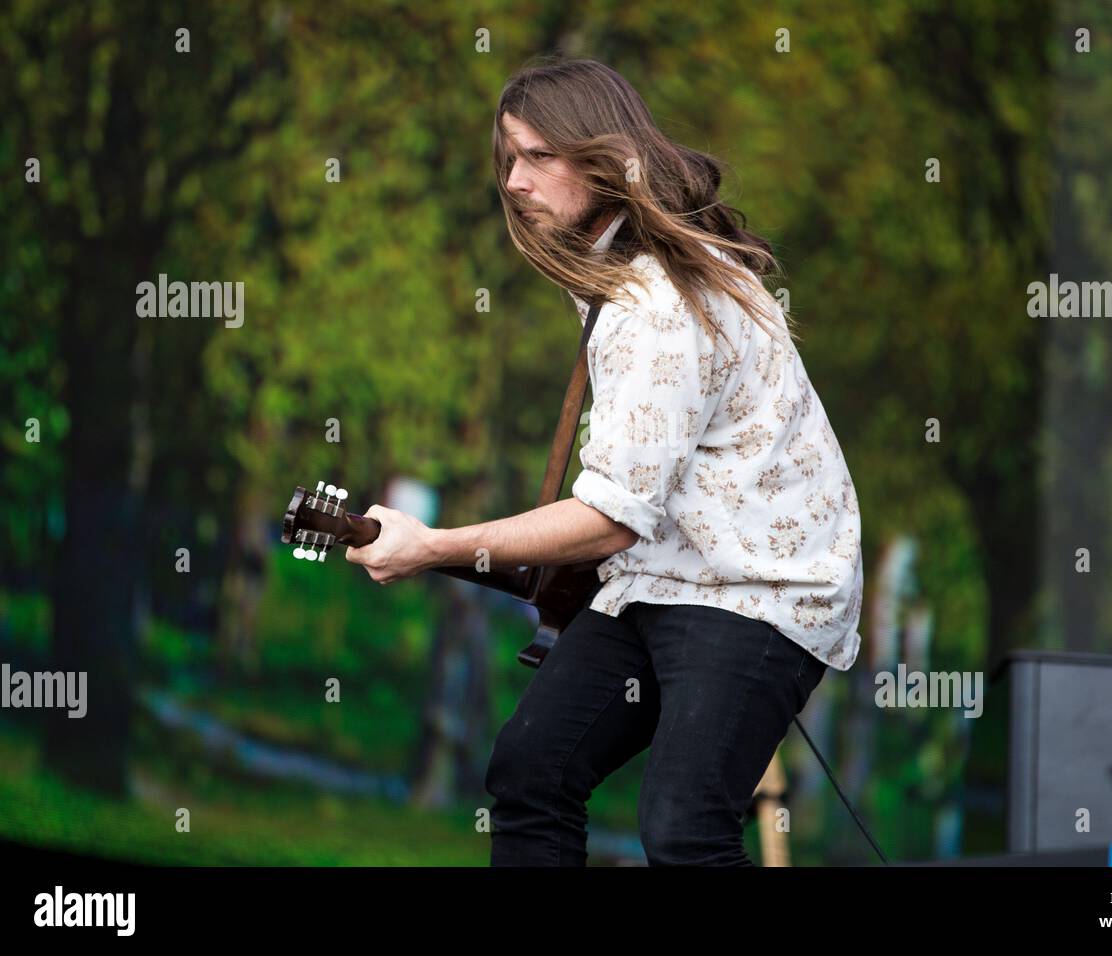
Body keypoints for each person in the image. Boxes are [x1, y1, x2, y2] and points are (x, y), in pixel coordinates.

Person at [346, 57, 864, 866]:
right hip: (664, 577)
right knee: (531, 773)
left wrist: (434, 546)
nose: (514, 181)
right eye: (508, 158)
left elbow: (608, 520)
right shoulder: (619, 280)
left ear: (602, 158)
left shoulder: (655, 303)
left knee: (684, 828)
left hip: (762, 587)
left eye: (537, 156)